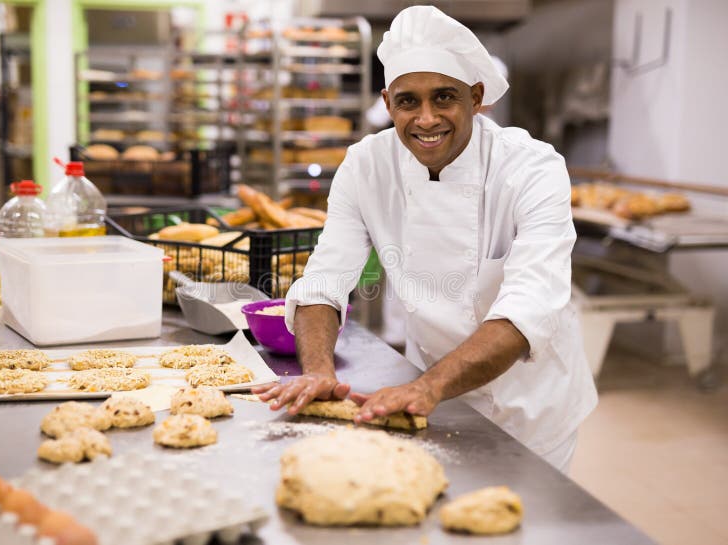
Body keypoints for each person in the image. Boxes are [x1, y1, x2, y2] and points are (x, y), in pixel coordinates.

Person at [252, 5, 597, 473]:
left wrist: (428, 387)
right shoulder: (366, 165)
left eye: (445, 97)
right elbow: (324, 280)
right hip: (428, 382)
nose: (427, 118)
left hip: (530, 400)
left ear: (476, 97)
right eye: (408, 101)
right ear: (388, 101)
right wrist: (318, 372)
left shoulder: (532, 169)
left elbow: (528, 308)